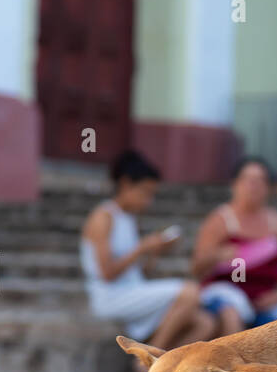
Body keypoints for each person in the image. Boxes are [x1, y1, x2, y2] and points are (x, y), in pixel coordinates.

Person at [80, 149, 218, 351]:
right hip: (109, 296)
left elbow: (137, 274)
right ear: (126, 184)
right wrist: (142, 247)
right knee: (190, 292)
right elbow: (107, 273)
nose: (149, 201)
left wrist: (154, 252)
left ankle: (163, 367)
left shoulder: (128, 218)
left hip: (131, 291)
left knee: (205, 323)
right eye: (145, 192)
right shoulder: (103, 217)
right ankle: (148, 359)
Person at [193, 157, 277, 332]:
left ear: (268, 187)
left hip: (263, 300)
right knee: (231, 315)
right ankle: (233, 360)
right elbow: (196, 268)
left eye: (260, 180)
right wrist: (217, 256)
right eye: (248, 180)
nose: (254, 186)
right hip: (224, 296)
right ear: (235, 184)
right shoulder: (220, 220)